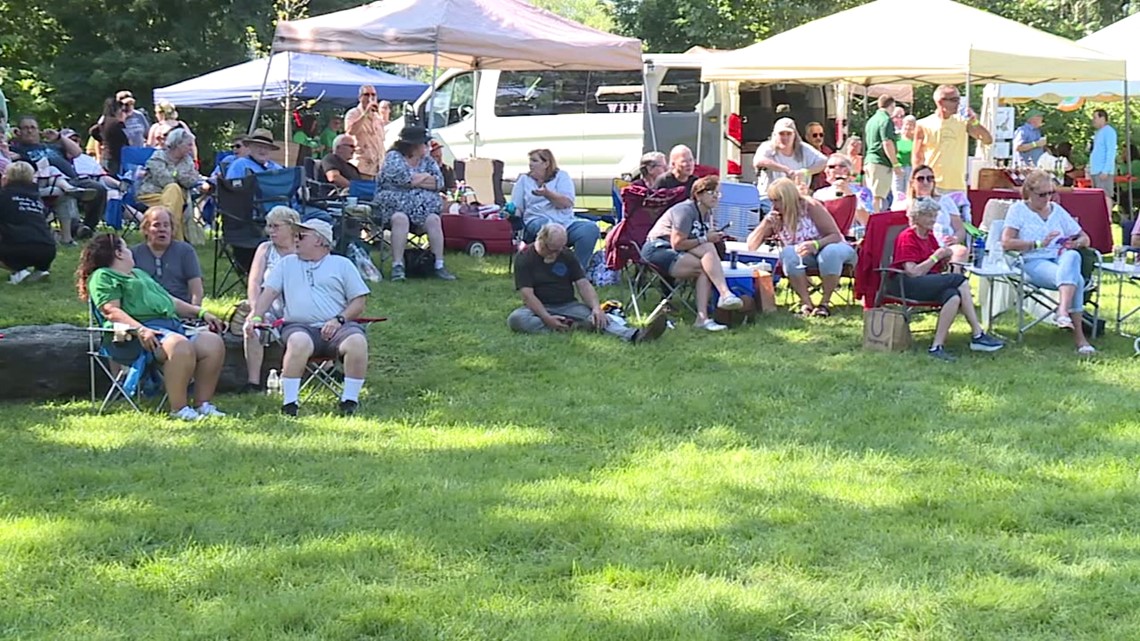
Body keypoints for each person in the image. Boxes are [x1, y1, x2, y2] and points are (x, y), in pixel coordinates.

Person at [77, 232, 227, 421]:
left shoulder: (138, 274)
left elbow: (169, 301)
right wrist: (140, 329)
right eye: (125, 246)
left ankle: (203, 404)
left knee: (212, 343)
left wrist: (201, 313)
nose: (130, 250)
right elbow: (111, 311)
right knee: (179, 345)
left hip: (169, 329)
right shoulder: (103, 276)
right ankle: (179, 409)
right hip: (132, 337)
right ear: (119, 253)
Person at [244, 219, 371, 417]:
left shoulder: (342, 264)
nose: (295, 240)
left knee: (357, 341)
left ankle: (350, 401)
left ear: (319, 241)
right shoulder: (286, 264)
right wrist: (256, 316)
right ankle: (290, 404)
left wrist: (339, 320)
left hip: (337, 328)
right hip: (299, 327)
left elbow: (359, 301)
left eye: (301, 236)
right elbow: (268, 293)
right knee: (298, 342)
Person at [888, 197, 1005, 361]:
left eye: (934, 215)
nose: (933, 219)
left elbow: (938, 265)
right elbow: (913, 272)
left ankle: (937, 347)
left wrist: (946, 258)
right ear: (917, 216)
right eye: (929, 215)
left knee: (953, 295)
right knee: (958, 280)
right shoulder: (907, 237)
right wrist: (937, 257)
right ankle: (978, 334)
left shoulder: (929, 237)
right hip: (906, 284)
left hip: (927, 282)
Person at [509, 222, 667, 341]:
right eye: (553, 249)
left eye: (561, 248)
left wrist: (596, 308)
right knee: (517, 319)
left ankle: (635, 335)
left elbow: (583, 283)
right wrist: (546, 318)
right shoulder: (525, 258)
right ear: (542, 241)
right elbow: (527, 296)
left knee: (599, 317)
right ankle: (570, 327)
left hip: (567, 305)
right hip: (539, 307)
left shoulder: (565, 254)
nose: (558, 253)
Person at [1001, 169, 1096, 355]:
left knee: (1073, 256)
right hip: (1032, 261)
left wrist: (1075, 243)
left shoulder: (1057, 210)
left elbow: (1085, 238)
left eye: (1051, 193)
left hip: (1060, 260)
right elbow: (1006, 243)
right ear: (1029, 192)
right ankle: (1080, 339)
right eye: (1042, 194)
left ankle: (1062, 311)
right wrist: (1037, 243)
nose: (1047, 198)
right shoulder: (1018, 210)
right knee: (1076, 279)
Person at [641, 175, 744, 332]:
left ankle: (702, 318)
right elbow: (677, 243)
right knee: (707, 247)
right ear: (698, 194)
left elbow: (694, 242)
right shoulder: (685, 211)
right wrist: (705, 238)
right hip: (657, 250)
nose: (716, 196)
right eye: (711, 192)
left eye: (718, 193)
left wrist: (711, 237)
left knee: (705, 267)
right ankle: (725, 294)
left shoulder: (706, 213)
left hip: (678, 251)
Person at [748, 178, 857, 318]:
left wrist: (815, 244)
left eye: (777, 200)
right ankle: (806, 304)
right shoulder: (776, 217)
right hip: (806, 256)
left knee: (829, 253)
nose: (774, 205)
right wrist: (765, 224)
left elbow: (835, 236)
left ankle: (825, 304)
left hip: (834, 247)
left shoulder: (810, 206)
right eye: (771, 200)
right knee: (788, 253)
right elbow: (751, 245)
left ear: (788, 198)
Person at [375, 125, 455, 281]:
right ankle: (398, 266)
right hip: (393, 207)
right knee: (400, 219)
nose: (426, 146)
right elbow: (405, 179)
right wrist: (424, 178)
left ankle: (438, 265)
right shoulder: (393, 157)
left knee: (434, 219)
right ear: (412, 144)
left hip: (423, 210)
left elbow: (438, 183)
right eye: (423, 143)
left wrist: (416, 180)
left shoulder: (428, 160)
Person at [241, 205, 299, 393]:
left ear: (291, 227)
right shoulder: (265, 249)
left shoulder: (303, 249)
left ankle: (325, 370)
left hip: (299, 309)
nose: (270, 231)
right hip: (269, 307)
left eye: (275, 226)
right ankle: (253, 382)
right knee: (252, 328)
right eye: (268, 226)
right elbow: (255, 282)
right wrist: (255, 310)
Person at [511, 147, 599, 270]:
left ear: (546, 163)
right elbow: (517, 207)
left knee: (590, 229)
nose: (530, 164)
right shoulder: (524, 180)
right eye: (530, 161)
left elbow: (567, 203)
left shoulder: (562, 177)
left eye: (535, 161)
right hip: (536, 220)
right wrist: (511, 215)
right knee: (549, 229)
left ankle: (577, 271)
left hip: (565, 222)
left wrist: (547, 194)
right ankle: (551, 269)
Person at [913, 85, 992, 196]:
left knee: (958, 213)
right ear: (940, 102)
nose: (958, 103)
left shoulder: (963, 121)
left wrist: (974, 121)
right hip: (933, 184)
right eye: (954, 100)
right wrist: (917, 182)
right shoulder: (923, 124)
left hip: (958, 185)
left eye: (959, 99)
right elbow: (917, 157)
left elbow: (987, 139)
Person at [137, 128, 210, 241]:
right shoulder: (158, 157)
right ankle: (174, 236)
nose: (191, 149)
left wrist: (176, 175)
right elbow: (164, 180)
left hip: (178, 197)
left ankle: (167, 233)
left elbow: (191, 180)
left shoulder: (187, 160)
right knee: (173, 189)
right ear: (178, 144)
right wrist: (180, 175)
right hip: (152, 195)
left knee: (174, 191)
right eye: (189, 145)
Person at [131, 206, 204, 305]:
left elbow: (196, 290)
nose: (162, 229)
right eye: (156, 225)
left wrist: (195, 313)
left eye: (166, 225)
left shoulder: (185, 251)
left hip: (182, 310)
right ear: (146, 229)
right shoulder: (133, 254)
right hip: (146, 310)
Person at [0, 161, 55, 284]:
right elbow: (47, 216)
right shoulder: (36, 197)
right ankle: (41, 270)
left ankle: (18, 270)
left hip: (18, 249)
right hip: (48, 249)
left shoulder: (3, 196)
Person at [905, 164, 969, 263]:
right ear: (912, 182)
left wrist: (955, 239)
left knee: (961, 251)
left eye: (930, 178)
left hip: (945, 245)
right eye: (920, 179)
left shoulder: (946, 201)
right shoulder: (908, 204)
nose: (926, 182)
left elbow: (960, 229)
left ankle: (955, 277)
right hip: (922, 246)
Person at [753, 117, 827, 192]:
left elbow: (824, 162)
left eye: (789, 134)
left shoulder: (804, 148)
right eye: (781, 134)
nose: (785, 137)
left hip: (797, 197)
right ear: (775, 134)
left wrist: (805, 172)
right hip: (770, 198)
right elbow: (759, 161)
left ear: (794, 135)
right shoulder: (767, 147)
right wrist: (786, 170)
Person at [811, 153, 873, 236]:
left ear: (845, 170)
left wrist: (850, 196)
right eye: (825, 167)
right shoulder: (819, 194)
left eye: (830, 167)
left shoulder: (861, 192)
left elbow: (867, 221)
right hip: (825, 236)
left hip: (852, 237)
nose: (826, 171)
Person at [864, 95, 901, 212]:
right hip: (880, 162)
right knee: (877, 196)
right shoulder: (885, 120)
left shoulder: (871, 120)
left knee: (871, 194)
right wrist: (895, 164)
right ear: (892, 105)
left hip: (869, 160)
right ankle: (874, 222)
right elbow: (887, 143)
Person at [344, 85, 385, 178]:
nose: (370, 98)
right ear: (360, 98)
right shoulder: (353, 113)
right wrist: (365, 113)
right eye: (366, 95)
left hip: (378, 168)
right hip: (361, 168)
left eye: (373, 95)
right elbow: (350, 132)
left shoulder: (377, 117)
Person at [1089, 108, 1117, 211]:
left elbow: (1111, 152)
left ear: (1102, 118)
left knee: (1105, 194)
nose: (1093, 120)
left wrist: (1106, 170)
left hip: (1103, 170)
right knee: (1097, 196)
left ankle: (1108, 217)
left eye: (1095, 117)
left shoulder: (1109, 132)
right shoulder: (1098, 133)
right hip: (1096, 170)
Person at [96, 98, 129, 176]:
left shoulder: (103, 121)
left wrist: (102, 140)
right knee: (115, 178)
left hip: (105, 155)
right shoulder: (116, 123)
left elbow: (92, 131)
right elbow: (125, 139)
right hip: (115, 156)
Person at [892, 115, 917, 203]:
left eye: (911, 125)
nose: (908, 127)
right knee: (897, 193)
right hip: (898, 167)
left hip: (911, 168)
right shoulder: (897, 138)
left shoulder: (916, 140)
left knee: (909, 192)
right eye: (906, 124)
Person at [804, 121, 834, 192]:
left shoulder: (828, 152)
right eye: (814, 135)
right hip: (810, 191)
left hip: (827, 190)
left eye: (821, 135)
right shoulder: (803, 153)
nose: (818, 138)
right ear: (807, 137)